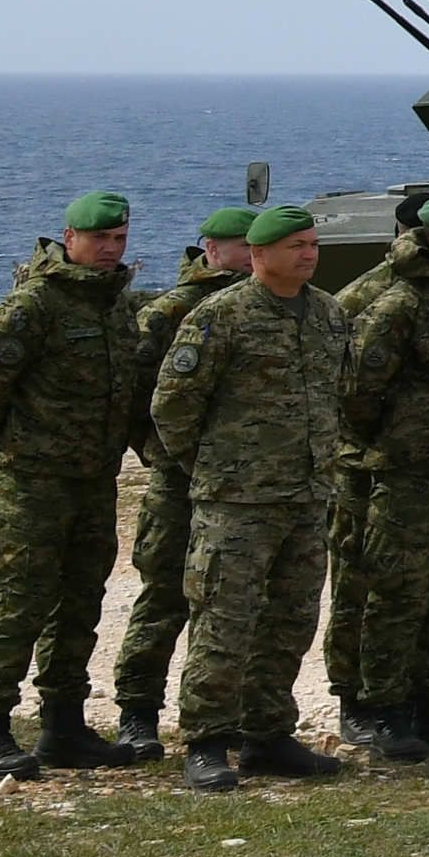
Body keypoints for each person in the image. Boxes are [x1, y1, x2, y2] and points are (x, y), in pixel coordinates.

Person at [155, 202, 354, 789]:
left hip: (307, 495)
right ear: (260, 255)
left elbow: (340, 392)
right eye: (296, 246)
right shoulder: (223, 315)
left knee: (290, 620)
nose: (309, 254)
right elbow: (174, 405)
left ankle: (267, 734)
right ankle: (207, 740)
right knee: (224, 620)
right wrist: (216, 466)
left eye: (313, 244)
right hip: (236, 501)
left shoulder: (329, 314)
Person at [0, 189, 148, 777]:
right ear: (69, 240)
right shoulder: (34, 304)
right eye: (99, 241)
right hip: (36, 480)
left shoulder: (114, 304)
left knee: (80, 601)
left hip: (95, 478)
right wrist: (9, 456)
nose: (109, 251)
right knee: (22, 599)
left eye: (118, 241)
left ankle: (62, 727)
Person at [322, 189, 429, 761]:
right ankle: (380, 706)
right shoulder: (397, 304)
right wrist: (397, 444)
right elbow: (356, 394)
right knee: (393, 593)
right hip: (405, 477)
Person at [112, 204, 255, 759]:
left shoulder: (270, 305)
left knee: (230, 602)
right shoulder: (172, 311)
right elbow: (136, 394)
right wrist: (163, 454)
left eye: (254, 244)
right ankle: (138, 712)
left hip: (242, 483)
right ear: (211, 250)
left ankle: (222, 714)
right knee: (165, 594)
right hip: (180, 480)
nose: (248, 255)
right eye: (239, 246)